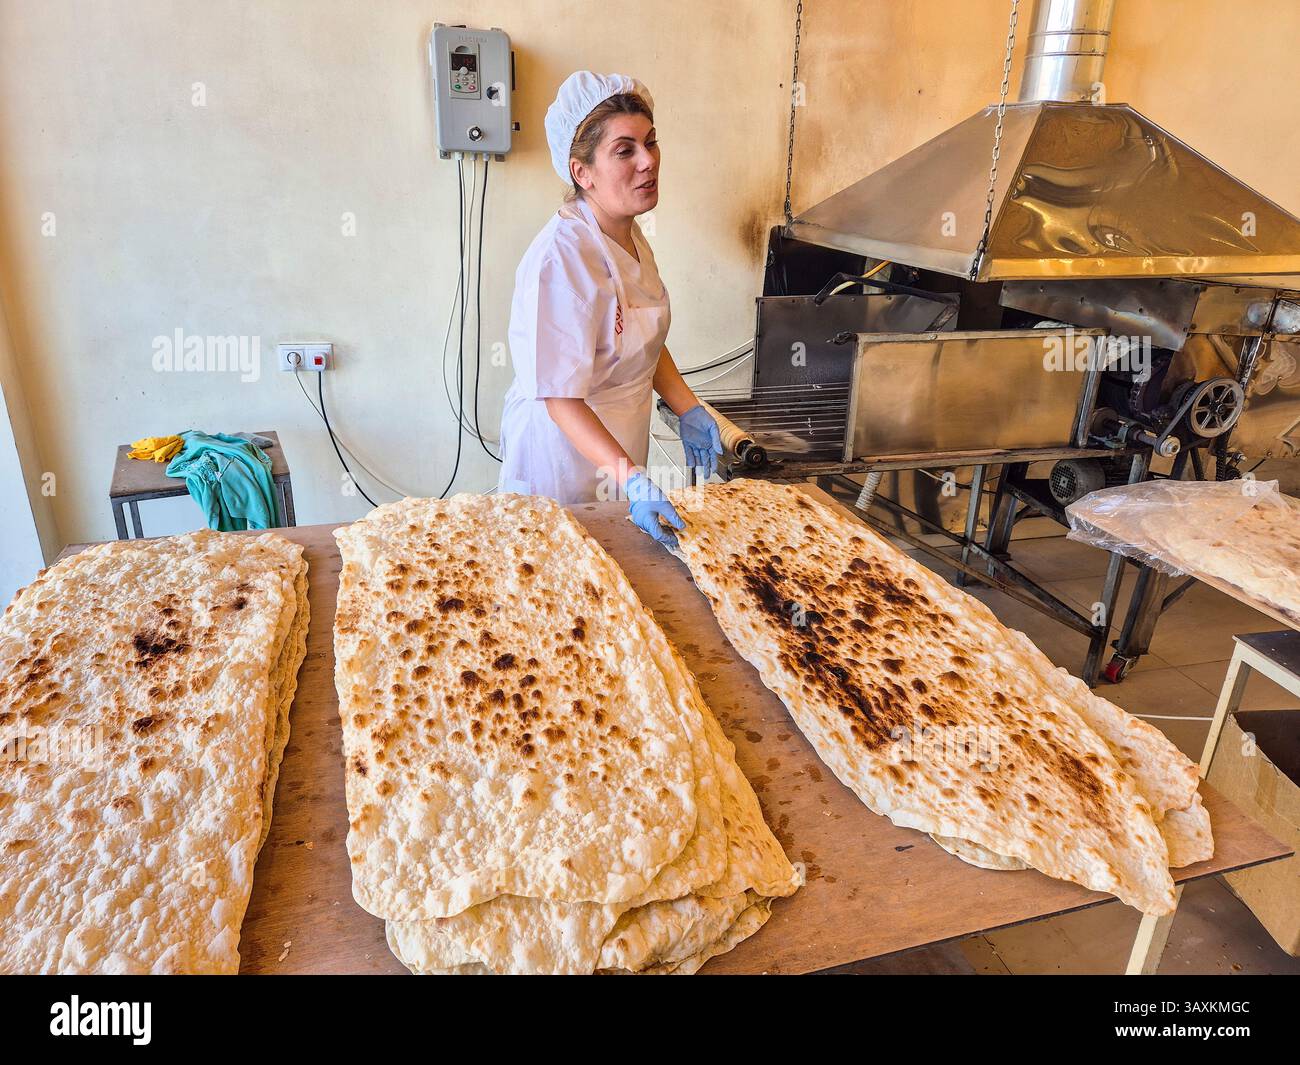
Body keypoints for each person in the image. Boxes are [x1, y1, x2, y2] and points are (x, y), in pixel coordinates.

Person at [496, 71, 723, 547]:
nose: (648, 161)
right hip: (562, 458)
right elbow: (559, 396)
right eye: (625, 150)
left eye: (651, 142)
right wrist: (635, 481)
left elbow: (638, 338)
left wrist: (688, 408)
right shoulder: (560, 259)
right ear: (582, 172)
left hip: (619, 453)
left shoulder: (629, 233)